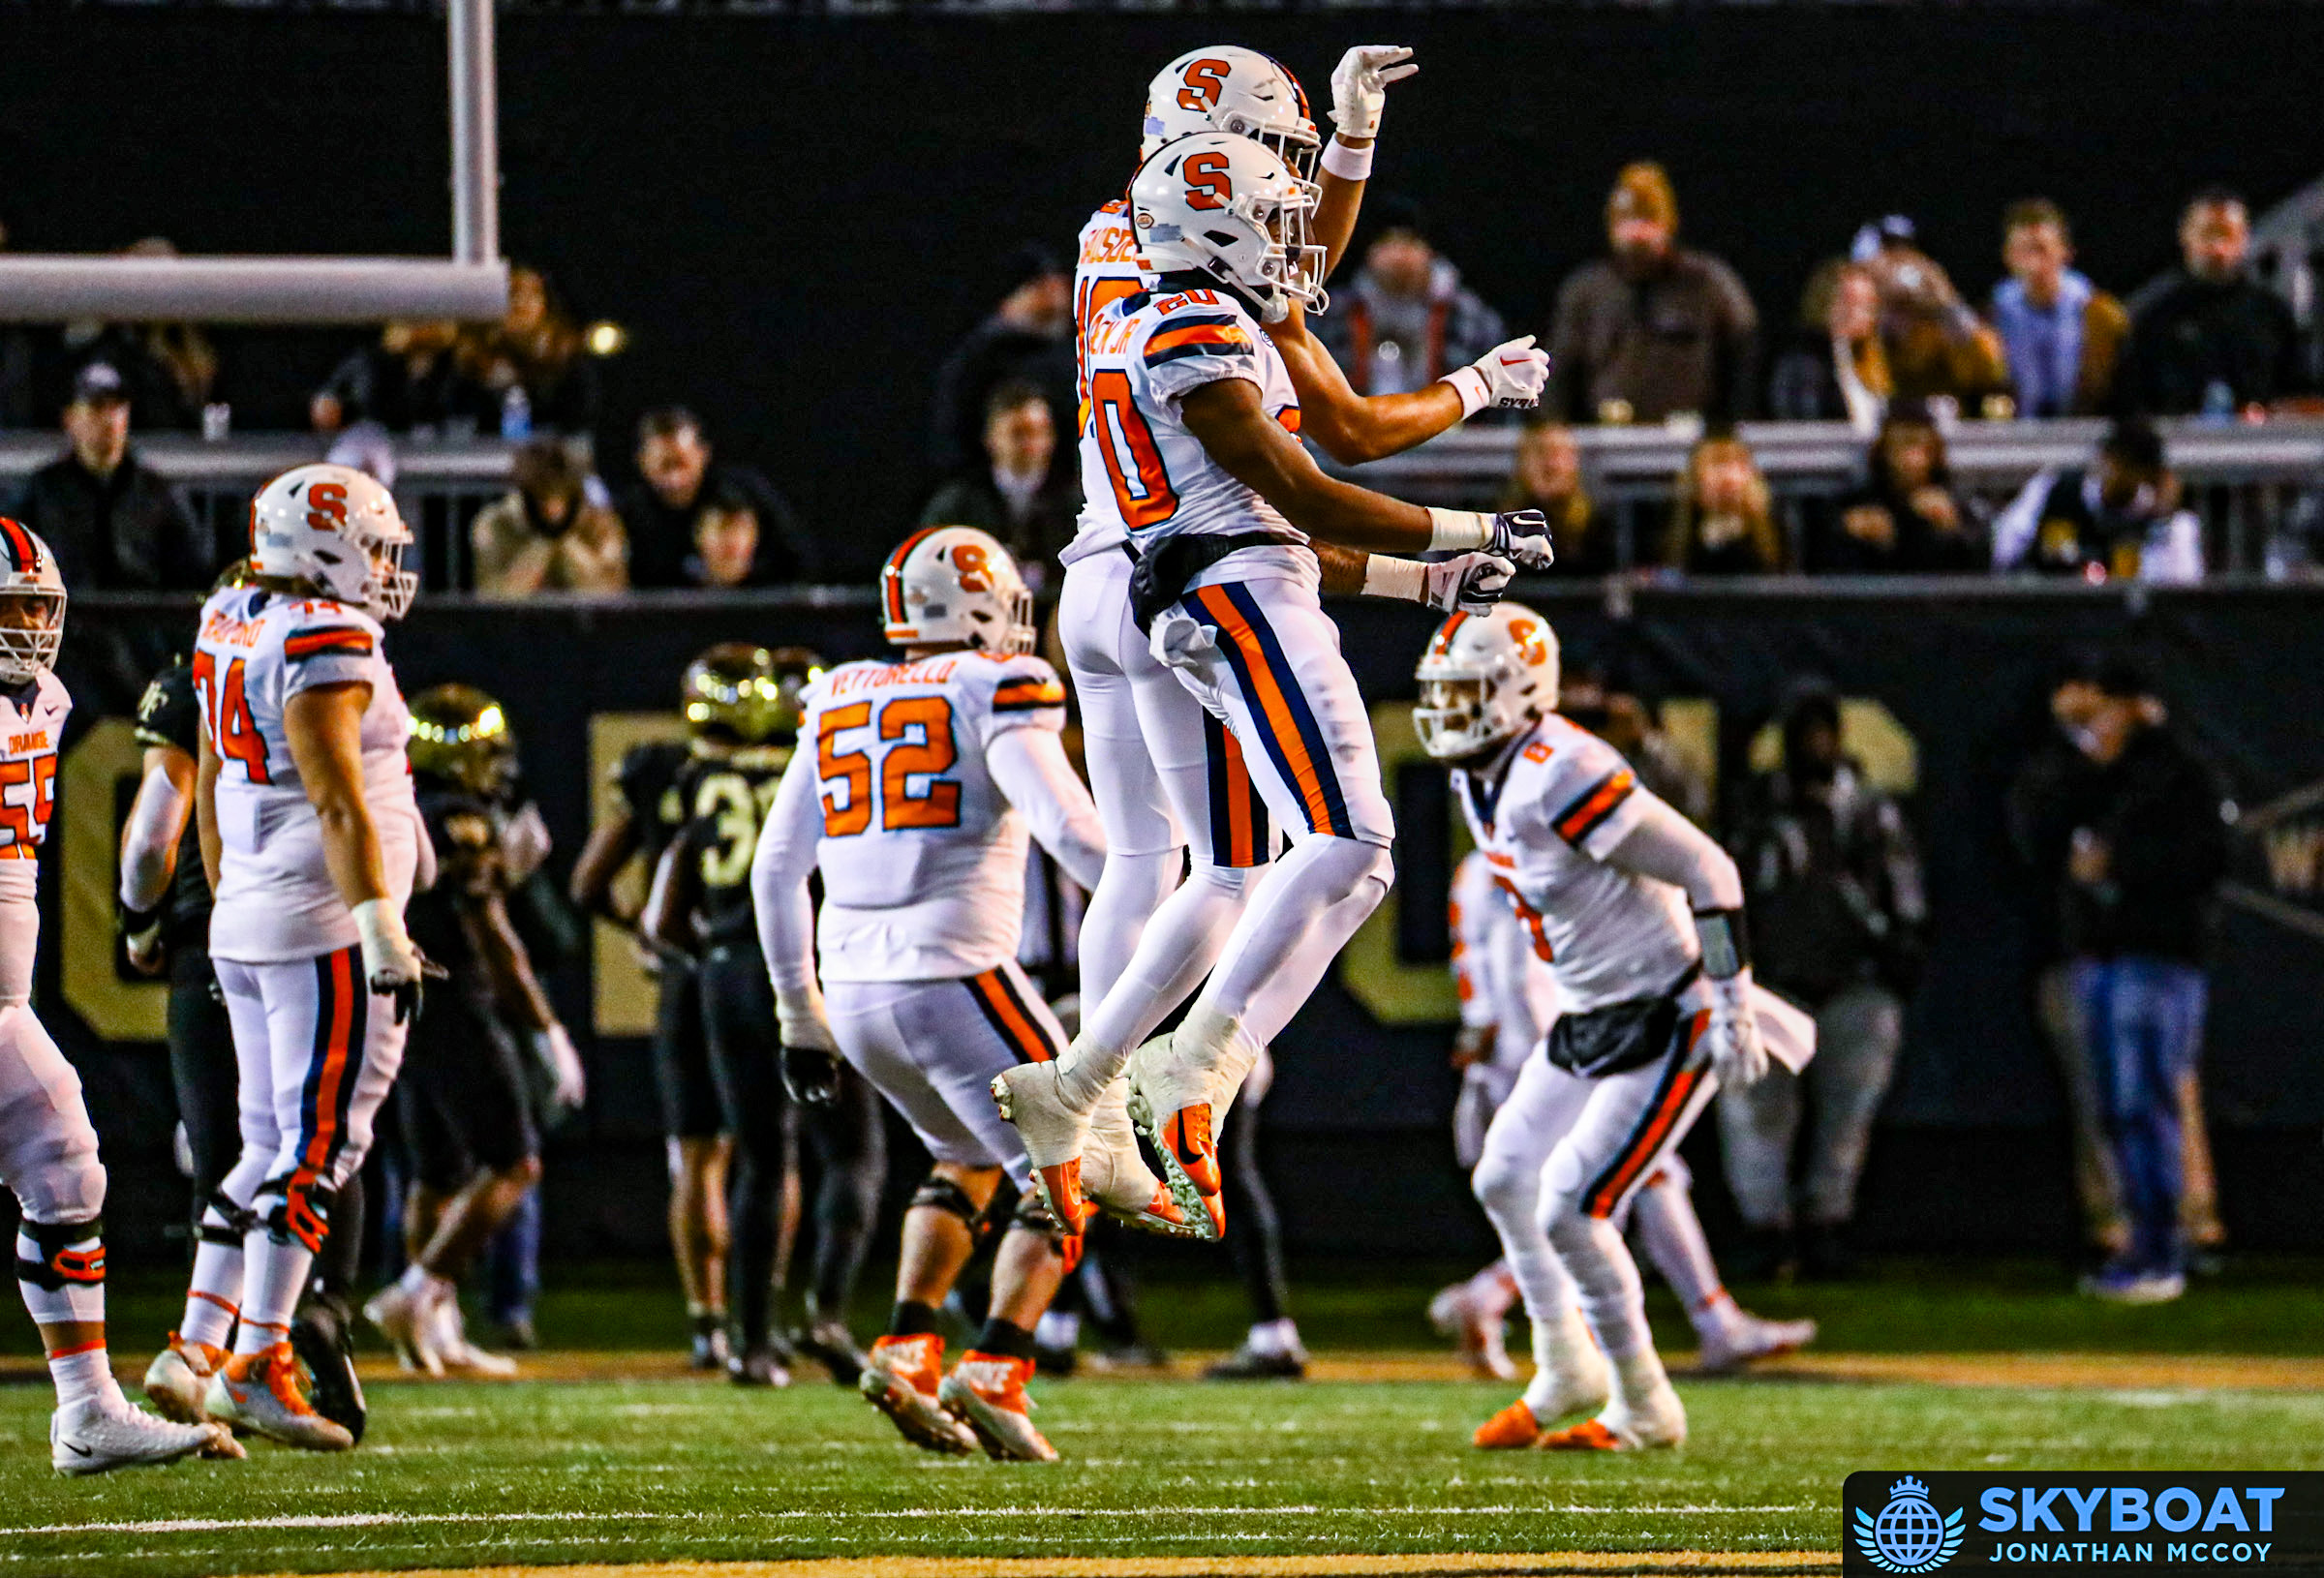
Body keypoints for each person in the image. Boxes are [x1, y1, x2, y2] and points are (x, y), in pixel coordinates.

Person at [999, 77, 1546, 1253]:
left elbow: (1290, 497)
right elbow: (1311, 481)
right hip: (1211, 578)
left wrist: (1424, 580)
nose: (1303, 224)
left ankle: (1087, 1087)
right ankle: (1185, 1069)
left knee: (1204, 864)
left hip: (1133, 563)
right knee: (1340, 844)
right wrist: (1467, 520)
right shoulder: (1198, 317)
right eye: (1278, 187)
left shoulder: (1138, 261)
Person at [750, 528, 1133, 1462]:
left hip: (853, 989)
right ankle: (997, 1365)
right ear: (982, 607)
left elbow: (775, 870)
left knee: (962, 1154)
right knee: (1081, 1158)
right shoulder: (993, 685)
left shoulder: (837, 693)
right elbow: (1068, 829)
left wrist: (800, 1014)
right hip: (956, 970)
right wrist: (1165, 911)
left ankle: (908, 1347)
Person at [1414, 603, 1806, 1451]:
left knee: (1574, 1205)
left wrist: (1732, 998)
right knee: (1504, 1176)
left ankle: (1644, 1403)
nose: (1448, 710)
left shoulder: (1564, 771)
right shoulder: (1481, 774)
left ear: (1520, 692)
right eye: (1442, 693)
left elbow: (1710, 869)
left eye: (1467, 692)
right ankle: (1566, 1363)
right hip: (1590, 1009)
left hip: (1669, 1007)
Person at [143, 463, 426, 1453]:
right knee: (317, 1150)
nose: (385, 568)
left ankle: (196, 1347)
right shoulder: (323, 635)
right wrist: (381, 926)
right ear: (326, 544)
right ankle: (259, 1359)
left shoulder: (230, 614)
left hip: (253, 912)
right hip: (322, 923)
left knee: (262, 1150)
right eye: (373, 547)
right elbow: (340, 799)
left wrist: (230, 903)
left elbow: (219, 787)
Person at [0, 521, 231, 1473]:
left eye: (37, 608)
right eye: (11, 609)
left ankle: (88, 1409)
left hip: (6, 990)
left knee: (64, 1166)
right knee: (61, 1147)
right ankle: (87, 1407)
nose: (29, 628)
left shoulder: (48, 698)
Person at [121, 613, 371, 1442]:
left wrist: (140, 918)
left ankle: (200, 1354)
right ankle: (290, 1335)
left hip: (217, 940)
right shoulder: (313, 664)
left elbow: (155, 828)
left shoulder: (202, 676)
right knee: (319, 1142)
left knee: (238, 1156)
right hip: (294, 927)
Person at [1431, 847, 1815, 1383]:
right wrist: (1566, 1050)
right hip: (1555, 1046)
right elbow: (1523, 968)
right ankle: (1512, 1305)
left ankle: (1709, 1322)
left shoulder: (1480, 865)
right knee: (1614, 1191)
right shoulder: (1538, 848)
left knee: (1635, 1184)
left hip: (1518, 1049)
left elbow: (1485, 962)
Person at [644, 645, 886, 1388]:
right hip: (813, 967)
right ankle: (827, 1313)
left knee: (760, 1159)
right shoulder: (833, 765)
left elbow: (663, 917)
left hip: (726, 974)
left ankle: (748, 1344)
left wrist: (717, 955)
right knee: (852, 1154)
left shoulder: (701, 777)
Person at [362, 686, 585, 1381]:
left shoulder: (398, 804)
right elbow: (493, 935)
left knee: (436, 1175)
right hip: (458, 1004)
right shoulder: (462, 820)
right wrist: (546, 1028)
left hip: (403, 1002)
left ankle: (437, 1333)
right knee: (514, 1163)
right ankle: (416, 1294)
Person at [1720, 683, 1925, 1279]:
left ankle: (1827, 1224)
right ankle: (1765, 1229)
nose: (1813, 745)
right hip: (1770, 983)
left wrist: (1897, 956)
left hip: (1855, 982)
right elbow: (1721, 891)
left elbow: (1905, 892)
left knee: (1846, 1120)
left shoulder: (1870, 812)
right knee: (1757, 1114)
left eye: (1821, 731)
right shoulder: (1755, 812)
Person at [2058, 659, 2230, 1303]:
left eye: (2102, 708)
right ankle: (2145, 1242)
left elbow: (2208, 860)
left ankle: (2162, 1249)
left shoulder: (2180, 772)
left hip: (2158, 957)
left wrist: (2119, 865)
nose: (2093, 723)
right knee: (2118, 1109)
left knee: (2146, 1103)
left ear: (2131, 705)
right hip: (2104, 954)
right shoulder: (2094, 772)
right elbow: (2039, 828)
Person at [569, 699, 731, 1371]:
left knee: (698, 1158)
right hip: (763, 974)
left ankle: (709, 1323)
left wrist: (644, 926)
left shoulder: (665, 772)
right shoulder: (789, 766)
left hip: (689, 979)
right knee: (770, 1158)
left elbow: (588, 884)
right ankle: (763, 1318)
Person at [1549, 163, 1758, 426]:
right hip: (1607, 433)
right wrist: (1554, 425)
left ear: (1668, 224)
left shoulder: (1708, 284)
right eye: (1627, 220)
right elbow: (1559, 370)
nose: (1637, 233)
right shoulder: (1586, 291)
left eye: (1647, 220)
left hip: (1689, 433)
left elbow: (1744, 347)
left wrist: (1725, 427)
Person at [12, 362, 211, 590]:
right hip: (65, 610)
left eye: (117, 407)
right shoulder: (43, 492)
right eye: (96, 407)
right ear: (70, 418)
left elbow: (193, 575)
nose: (109, 419)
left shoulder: (159, 493)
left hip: (141, 610)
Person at [2120, 190, 2309, 417]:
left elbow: (2301, 396)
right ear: (2185, 236)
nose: (2217, 248)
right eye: (2207, 234)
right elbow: (2131, 402)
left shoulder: (2274, 315)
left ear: (2245, 238)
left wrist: (2266, 414)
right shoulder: (2154, 316)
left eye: (2227, 235)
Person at [1310, 198, 1509, 397]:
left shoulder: (1471, 316)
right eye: (1388, 242)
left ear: (1430, 250)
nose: (1399, 255)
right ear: (1369, 251)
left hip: (1446, 414)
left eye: (1410, 242)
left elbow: (1499, 393)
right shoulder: (1333, 312)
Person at [618, 408, 815, 589]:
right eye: (665, 465)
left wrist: (743, 574)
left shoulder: (745, 494)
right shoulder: (627, 515)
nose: (675, 478)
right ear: (642, 462)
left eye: (682, 463)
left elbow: (798, 559)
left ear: (703, 454)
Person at [928, 246, 1077, 483]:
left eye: (1060, 289)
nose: (1056, 301)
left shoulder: (1070, 355)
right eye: (1042, 289)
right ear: (1009, 300)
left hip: (1064, 494)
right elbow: (952, 442)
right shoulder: (976, 362)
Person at [1992, 417, 2203, 582]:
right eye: (2113, 462)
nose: (2115, 473)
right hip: (2049, 610)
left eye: (2128, 468)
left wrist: (2162, 521)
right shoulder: (2055, 487)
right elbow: (2005, 550)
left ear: (2147, 476)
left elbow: (2180, 589)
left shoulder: (2163, 522)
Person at [918, 380, 1081, 591]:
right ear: (991, 438)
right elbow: (925, 569)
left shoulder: (1075, 504)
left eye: (1039, 432)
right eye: (1018, 433)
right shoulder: (957, 506)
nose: (1030, 444)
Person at [1849, 215, 2008, 410]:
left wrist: (1948, 305)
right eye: (1888, 251)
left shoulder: (1937, 328)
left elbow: (1991, 374)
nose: (1899, 260)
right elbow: (1867, 389)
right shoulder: (1856, 324)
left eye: (1904, 250)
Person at [1988, 199, 2128, 418]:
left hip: (2085, 427)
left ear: (2065, 252)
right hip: (2017, 430)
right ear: (2008, 256)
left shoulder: (2100, 314)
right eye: (2024, 251)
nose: (2033, 262)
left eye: (2041, 249)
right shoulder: (1992, 317)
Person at [1815, 404, 1986, 574]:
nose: (1913, 459)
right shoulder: (1856, 503)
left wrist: (1951, 528)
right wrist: (1851, 532)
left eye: (1924, 446)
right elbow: (1820, 563)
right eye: (1904, 444)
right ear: (1884, 448)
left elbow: (1981, 565)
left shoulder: (1957, 503)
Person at [471, 440, 629, 596]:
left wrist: (571, 547)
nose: (553, 511)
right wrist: (539, 549)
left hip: (582, 612)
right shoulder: (495, 524)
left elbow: (609, 594)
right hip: (522, 613)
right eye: (542, 499)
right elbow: (495, 596)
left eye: (561, 497)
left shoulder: (600, 524)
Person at [1766, 258, 1888, 430]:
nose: (1861, 313)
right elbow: (1804, 424)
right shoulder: (1804, 362)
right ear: (1824, 302)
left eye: (1868, 305)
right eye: (1850, 303)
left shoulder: (1876, 359)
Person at [310, 320, 487, 437]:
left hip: (437, 453)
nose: (421, 327)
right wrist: (328, 405)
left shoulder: (457, 365)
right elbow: (328, 399)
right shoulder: (370, 361)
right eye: (413, 320)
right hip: (377, 446)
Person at [1499, 421, 1612, 576]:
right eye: (1541, 453)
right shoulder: (1495, 522)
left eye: (1560, 454)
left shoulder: (1599, 520)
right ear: (1522, 462)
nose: (1552, 465)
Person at [1662, 434, 1783, 575]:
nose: (1728, 477)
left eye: (1739, 463)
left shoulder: (1780, 528)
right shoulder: (1672, 530)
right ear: (1694, 478)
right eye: (1716, 463)